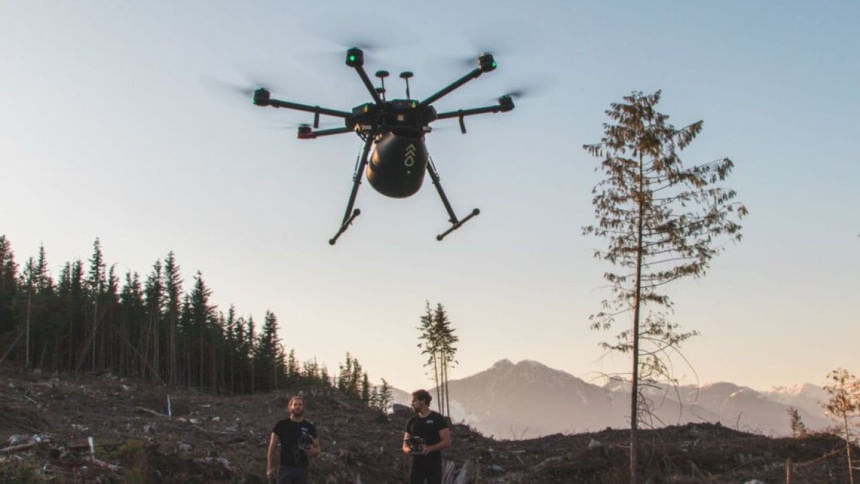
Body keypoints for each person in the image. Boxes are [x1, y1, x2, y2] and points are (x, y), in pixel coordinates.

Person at [267, 395, 320, 484]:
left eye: (300, 405)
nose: (297, 407)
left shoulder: (309, 427)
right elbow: (272, 447)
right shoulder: (281, 425)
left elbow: (318, 449)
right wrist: (270, 467)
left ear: (303, 407)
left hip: (302, 469)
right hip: (285, 468)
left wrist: (311, 450)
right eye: (295, 404)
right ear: (290, 407)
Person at [402, 389, 451, 484]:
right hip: (416, 464)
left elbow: (447, 441)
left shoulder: (437, 418)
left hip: (433, 463)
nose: (412, 403)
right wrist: (410, 449)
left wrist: (429, 449)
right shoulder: (412, 421)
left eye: (414, 401)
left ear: (423, 401)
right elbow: (405, 444)